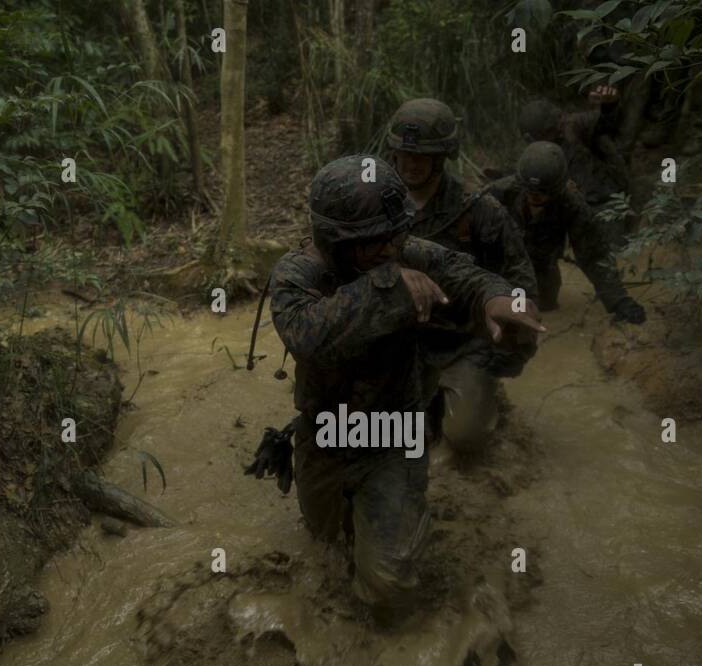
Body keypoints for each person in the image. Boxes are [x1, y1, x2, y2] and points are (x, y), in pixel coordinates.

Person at [268, 156, 544, 619]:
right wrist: (388, 286)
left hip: (394, 433)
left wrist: (501, 300)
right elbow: (310, 336)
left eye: (395, 236)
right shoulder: (297, 276)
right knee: (323, 541)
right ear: (335, 241)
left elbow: (467, 276)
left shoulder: (404, 251)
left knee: (391, 586)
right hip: (325, 434)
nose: (389, 249)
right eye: (373, 243)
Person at [385, 97, 540, 454]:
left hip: (462, 345)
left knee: (467, 439)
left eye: (421, 155)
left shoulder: (479, 209)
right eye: (404, 154)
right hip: (396, 341)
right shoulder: (376, 203)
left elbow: (521, 288)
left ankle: (480, 393)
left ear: (441, 157)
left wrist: (498, 356)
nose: (410, 163)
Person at [485, 141, 645, 324]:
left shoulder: (572, 205)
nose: (535, 195)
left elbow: (593, 255)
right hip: (500, 264)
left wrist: (618, 300)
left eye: (543, 191)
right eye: (530, 190)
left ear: (557, 188)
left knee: (542, 305)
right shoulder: (499, 193)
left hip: (541, 269)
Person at [518, 92, 632, 248]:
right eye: (551, 129)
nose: (559, 128)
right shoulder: (538, 153)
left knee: (611, 250)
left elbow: (606, 122)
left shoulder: (573, 126)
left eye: (558, 122)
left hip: (603, 198)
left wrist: (609, 106)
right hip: (573, 204)